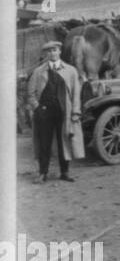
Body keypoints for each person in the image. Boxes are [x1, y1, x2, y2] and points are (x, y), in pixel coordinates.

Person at [26, 40, 84, 182]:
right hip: (44, 113)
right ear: (46, 54)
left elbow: (76, 93)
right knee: (44, 143)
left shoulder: (70, 71)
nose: (52, 53)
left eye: (55, 50)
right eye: (49, 51)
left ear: (60, 52)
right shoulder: (38, 72)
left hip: (64, 112)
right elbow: (30, 94)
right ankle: (42, 173)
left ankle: (64, 172)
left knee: (64, 142)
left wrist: (75, 112)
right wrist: (37, 107)